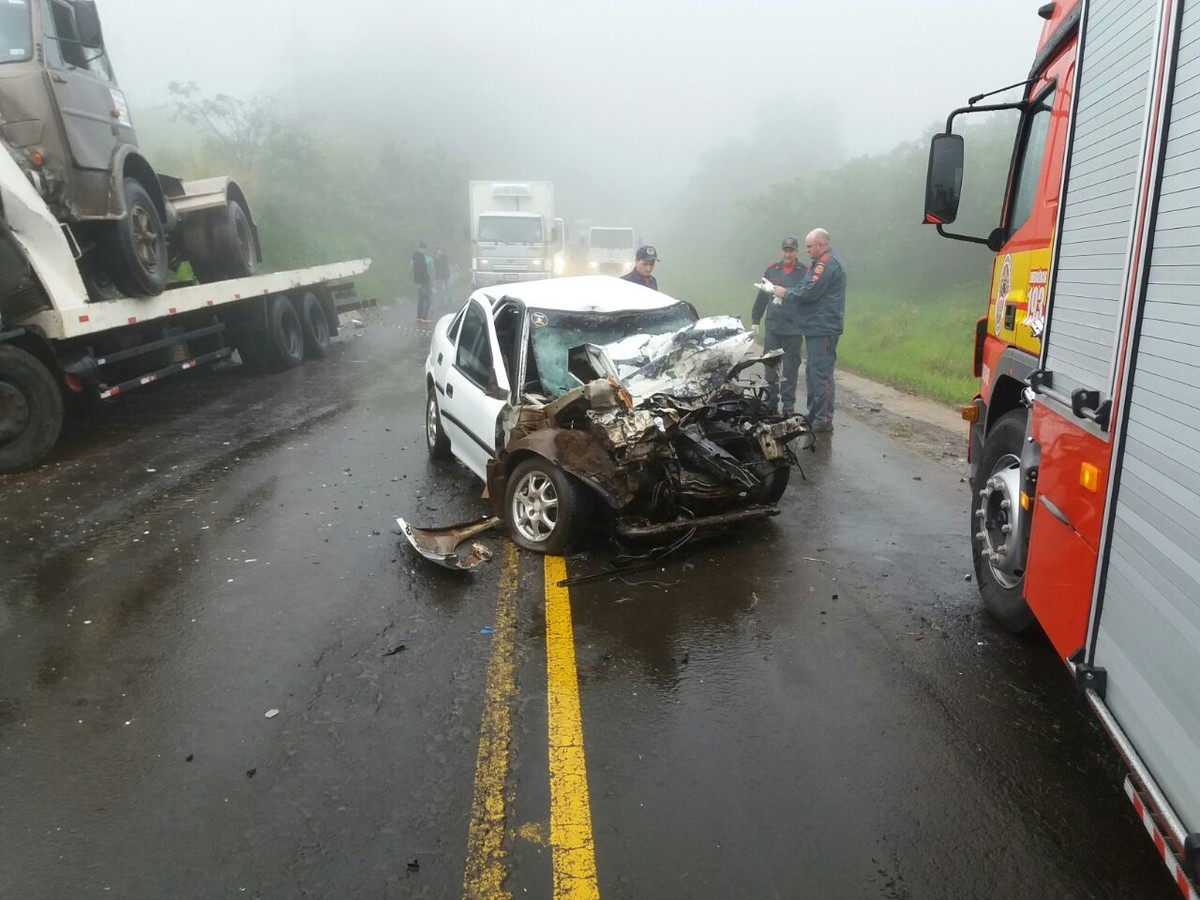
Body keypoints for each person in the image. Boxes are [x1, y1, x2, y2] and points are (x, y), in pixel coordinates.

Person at [770, 228, 846, 432]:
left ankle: (823, 419)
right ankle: (814, 414)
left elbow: (809, 291)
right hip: (814, 326)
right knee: (812, 373)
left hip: (823, 327)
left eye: (810, 246)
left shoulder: (827, 264)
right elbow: (805, 285)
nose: (807, 250)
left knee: (821, 373)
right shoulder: (818, 264)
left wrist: (785, 293)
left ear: (821, 244)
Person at [751, 237, 809, 415]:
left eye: (791, 250)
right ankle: (770, 403)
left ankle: (788, 406)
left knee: (790, 369)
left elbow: (807, 297)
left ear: (797, 252)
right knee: (770, 367)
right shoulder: (771, 269)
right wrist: (755, 319)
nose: (788, 253)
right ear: (781, 251)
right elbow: (762, 296)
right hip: (774, 327)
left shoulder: (804, 271)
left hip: (793, 328)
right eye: (785, 250)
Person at [412, 242, 433, 323]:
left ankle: (419, 316)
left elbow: (413, 269)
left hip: (417, 280)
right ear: (423, 248)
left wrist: (415, 280)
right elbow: (422, 270)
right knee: (426, 298)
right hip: (423, 280)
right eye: (424, 249)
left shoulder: (414, 256)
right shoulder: (420, 257)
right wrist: (427, 279)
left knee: (420, 298)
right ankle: (424, 317)